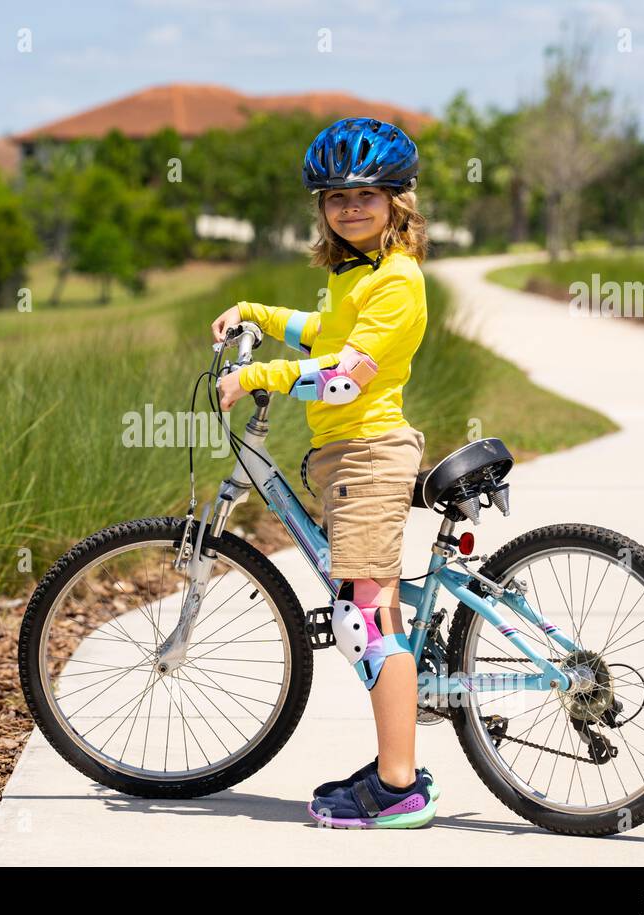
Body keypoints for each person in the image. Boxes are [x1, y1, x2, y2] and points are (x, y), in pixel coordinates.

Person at [211, 117, 438, 829]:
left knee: (366, 616)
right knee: (366, 611)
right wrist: (253, 312)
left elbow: (344, 378)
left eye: (367, 195)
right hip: (343, 458)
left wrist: (262, 376)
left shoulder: (398, 282)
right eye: (335, 196)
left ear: (398, 202)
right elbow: (321, 333)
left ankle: (400, 787)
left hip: (369, 453)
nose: (349, 207)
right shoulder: (354, 278)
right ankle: (394, 762)